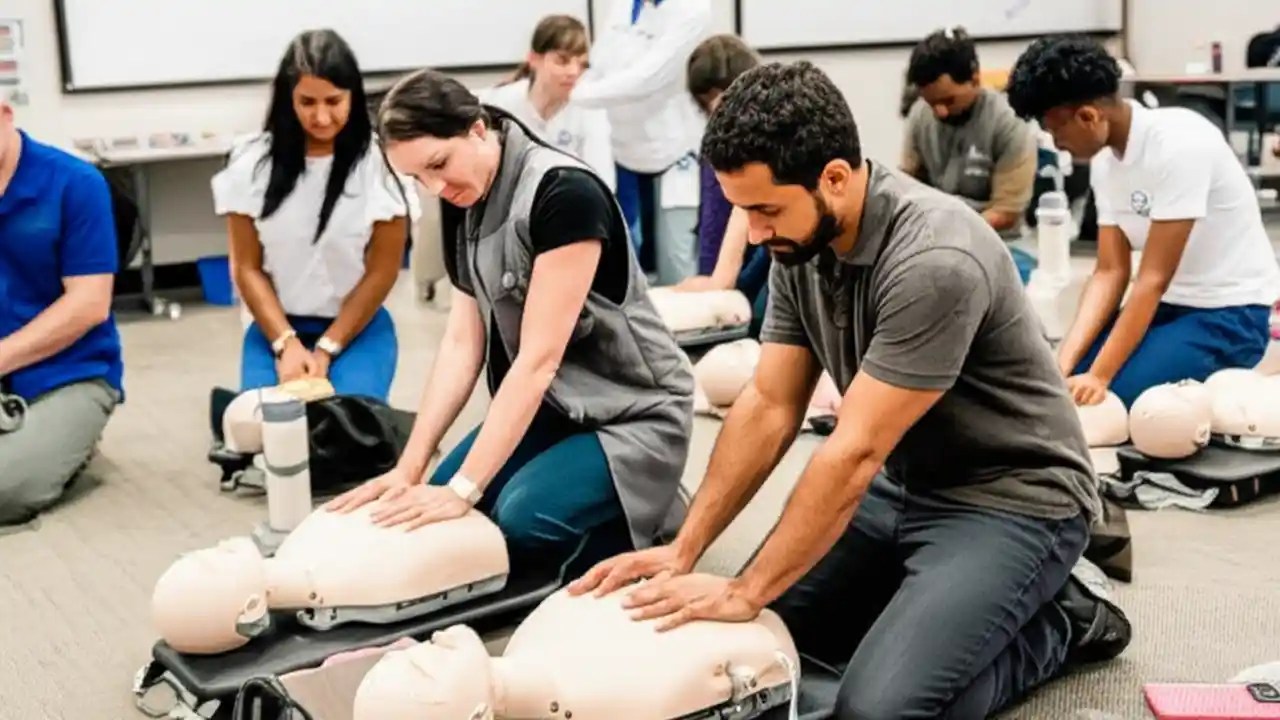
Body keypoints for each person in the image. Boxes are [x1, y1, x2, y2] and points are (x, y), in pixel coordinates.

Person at [569, 61, 1130, 719]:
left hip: (1011, 500)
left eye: (766, 209)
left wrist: (750, 585)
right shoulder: (798, 245)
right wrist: (685, 548)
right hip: (904, 484)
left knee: (877, 711)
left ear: (834, 177)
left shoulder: (934, 258)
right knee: (766, 651)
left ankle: (1062, 621)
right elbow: (771, 404)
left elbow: (853, 452)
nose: (754, 232)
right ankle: (941, 610)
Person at [326, 69, 694, 576]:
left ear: (478, 129)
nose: (434, 187)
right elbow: (461, 343)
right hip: (556, 410)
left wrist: (465, 488)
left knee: (519, 520)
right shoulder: (463, 196)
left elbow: (537, 362)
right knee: (441, 506)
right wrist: (411, 468)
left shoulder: (564, 195)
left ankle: (656, 503)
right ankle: (587, 489)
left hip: (631, 414)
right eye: (417, 178)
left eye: (438, 164)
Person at [1005, 35, 1280, 408]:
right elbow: (1109, 272)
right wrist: (1062, 362)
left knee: (1108, 402)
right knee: (1060, 386)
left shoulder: (1180, 143)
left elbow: (1151, 280)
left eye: (1056, 131)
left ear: (1089, 116)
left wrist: (1100, 377)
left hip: (1229, 313)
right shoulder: (1106, 163)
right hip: (1168, 308)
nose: (1056, 143)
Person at [212, 29, 418, 403]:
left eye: (334, 101)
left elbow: (381, 272)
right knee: (263, 428)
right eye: (307, 102)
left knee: (349, 429)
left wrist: (327, 348)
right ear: (287, 99)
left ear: (353, 97)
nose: (321, 116)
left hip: (358, 328)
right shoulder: (250, 165)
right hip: (275, 327)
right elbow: (246, 267)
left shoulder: (382, 166)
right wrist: (285, 343)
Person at [0, 98, 124, 526]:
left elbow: (88, 305)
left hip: (68, 371)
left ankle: (73, 445)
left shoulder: (76, 184)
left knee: (6, 489)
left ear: (5, 113)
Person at [573, 0, 713, 284]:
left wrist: (576, 96)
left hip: (674, 153)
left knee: (676, 264)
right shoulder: (626, 5)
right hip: (622, 152)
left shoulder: (692, 9)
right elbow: (599, 63)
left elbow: (650, 77)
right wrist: (574, 86)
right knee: (628, 262)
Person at [901, 28, 1038, 246]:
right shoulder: (920, 114)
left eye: (948, 101)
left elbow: (1006, 212)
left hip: (1000, 242)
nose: (940, 112)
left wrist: (949, 234)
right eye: (932, 103)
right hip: (936, 237)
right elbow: (906, 187)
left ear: (975, 80)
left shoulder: (1009, 121)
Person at [674, 34, 770, 338]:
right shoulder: (719, 145)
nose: (717, 106)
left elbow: (722, 276)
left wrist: (712, 283)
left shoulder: (756, 141)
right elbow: (715, 228)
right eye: (710, 99)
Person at [478, 15, 615, 191]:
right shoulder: (499, 103)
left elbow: (603, 183)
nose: (573, 72)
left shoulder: (590, 110)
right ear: (534, 59)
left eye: (582, 64)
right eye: (562, 61)